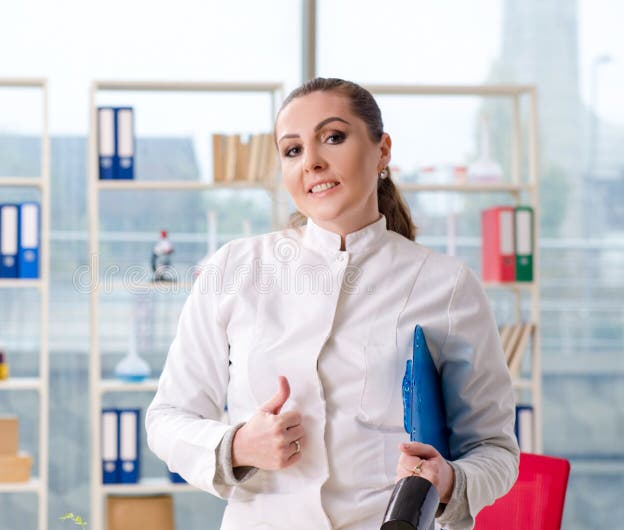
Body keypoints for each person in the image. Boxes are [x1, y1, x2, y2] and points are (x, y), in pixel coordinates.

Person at [146, 77, 519, 530]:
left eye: (333, 138)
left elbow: (495, 450)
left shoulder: (448, 286)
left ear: (382, 151)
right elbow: (167, 418)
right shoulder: (234, 268)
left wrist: (449, 481)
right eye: (292, 150)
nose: (313, 163)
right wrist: (238, 446)